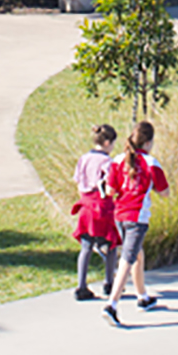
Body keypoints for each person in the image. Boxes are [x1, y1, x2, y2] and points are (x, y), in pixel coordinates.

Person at [103, 122, 168, 327]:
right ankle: (112, 304)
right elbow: (164, 192)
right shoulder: (150, 163)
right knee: (128, 258)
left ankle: (142, 296)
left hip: (119, 214)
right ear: (148, 142)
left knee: (137, 252)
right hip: (137, 217)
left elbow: (110, 190)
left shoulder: (118, 160)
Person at [69, 124, 119, 301]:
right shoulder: (107, 162)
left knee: (86, 246)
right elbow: (111, 185)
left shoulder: (84, 158)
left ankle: (81, 286)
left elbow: (78, 181)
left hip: (85, 205)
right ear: (107, 143)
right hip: (102, 207)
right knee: (111, 244)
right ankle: (109, 282)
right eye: (113, 143)